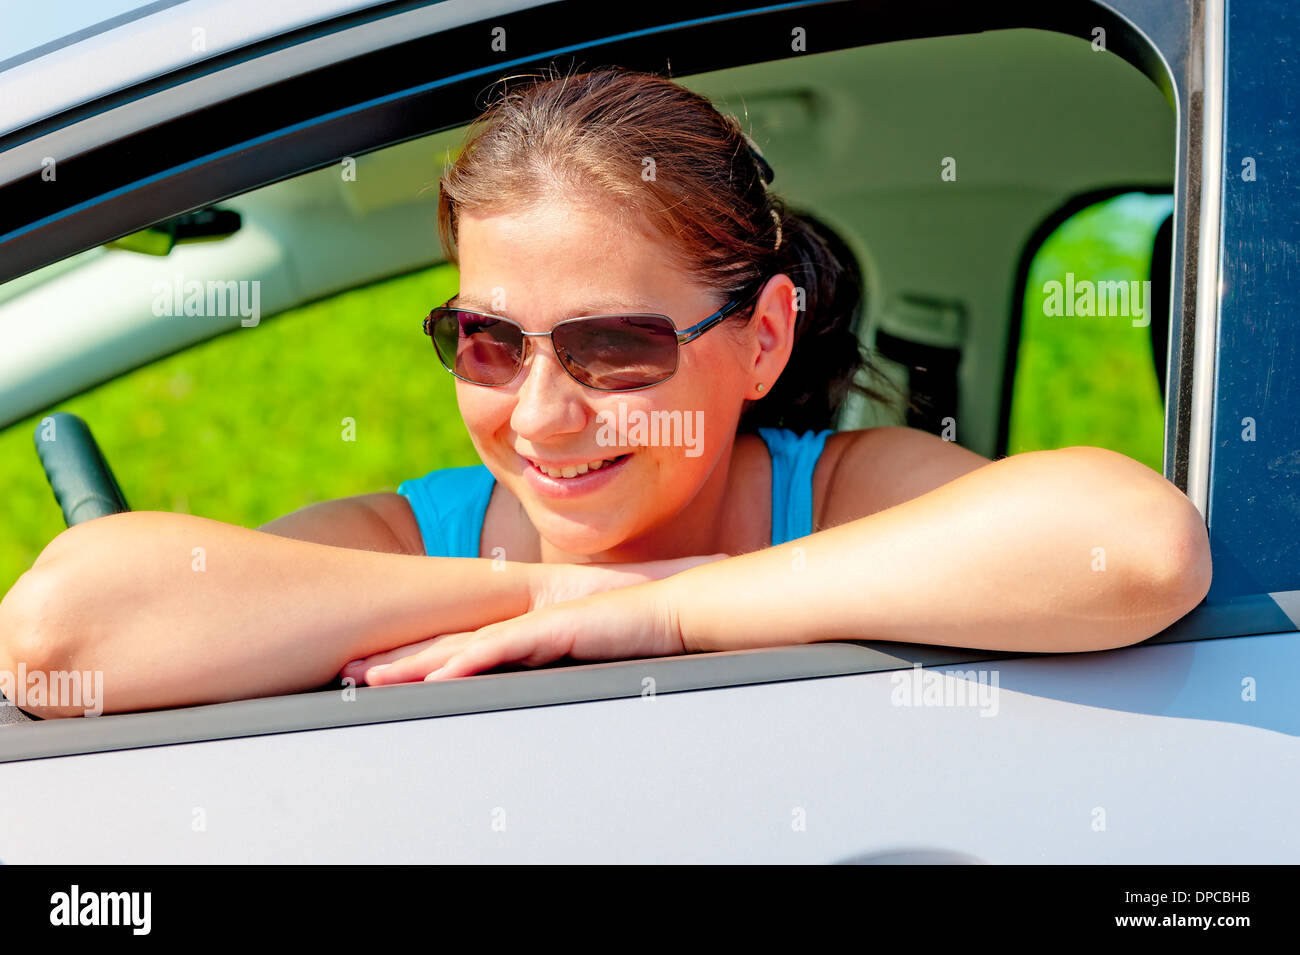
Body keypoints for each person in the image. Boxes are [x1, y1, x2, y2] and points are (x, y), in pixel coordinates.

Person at [0, 68, 1211, 717]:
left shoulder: (843, 495)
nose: (535, 418)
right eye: (485, 341)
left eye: (615, 347)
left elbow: (1134, 549)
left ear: (761, 341)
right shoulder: (415, 540)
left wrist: (667, 614)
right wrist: (556, 594)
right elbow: (63, 633)